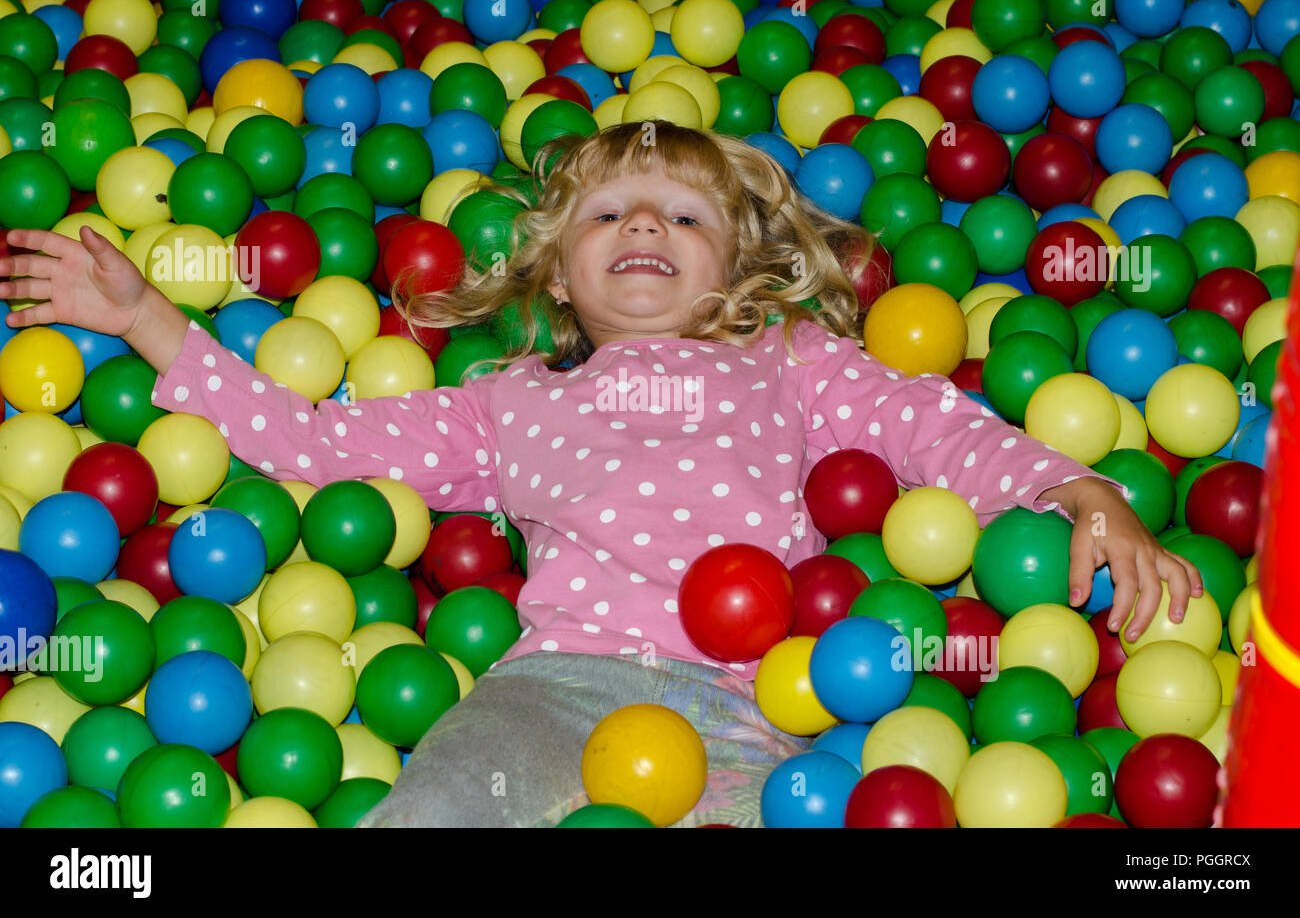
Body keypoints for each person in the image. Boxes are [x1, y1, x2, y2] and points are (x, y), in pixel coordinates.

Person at [0, 120, 1201, 828]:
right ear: (556, 274)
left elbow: (933, 424)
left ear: (735, 265)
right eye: (612, 212)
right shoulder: (507, 399)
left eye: (683, 217)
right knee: (439, 804)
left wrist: (1067, 489)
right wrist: (153, 319)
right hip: (549, 692)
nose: (645, 228)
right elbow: (316, 441)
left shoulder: (790, 360)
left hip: (768, 704)